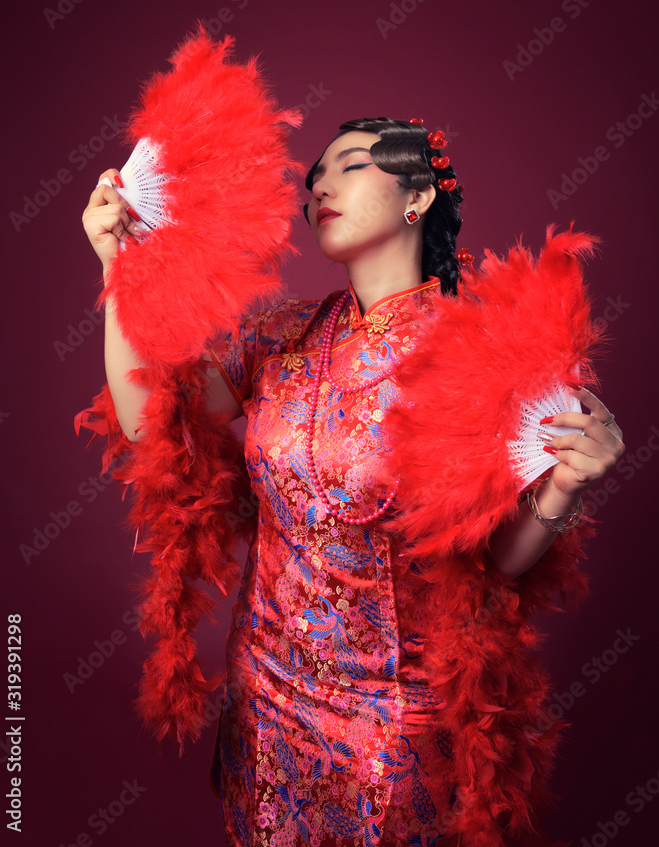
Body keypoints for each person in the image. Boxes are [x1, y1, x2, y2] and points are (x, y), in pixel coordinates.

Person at [81, 116, 624, 847]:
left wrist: (564, 487)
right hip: (266, 705)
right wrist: (119, 268)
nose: (320, 187)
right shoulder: (279, 336)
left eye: (351, 166)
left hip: (395, 725)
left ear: (418, 196)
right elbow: (152, 421)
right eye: (314, 179)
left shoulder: (482, 347)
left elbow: (497, 561)